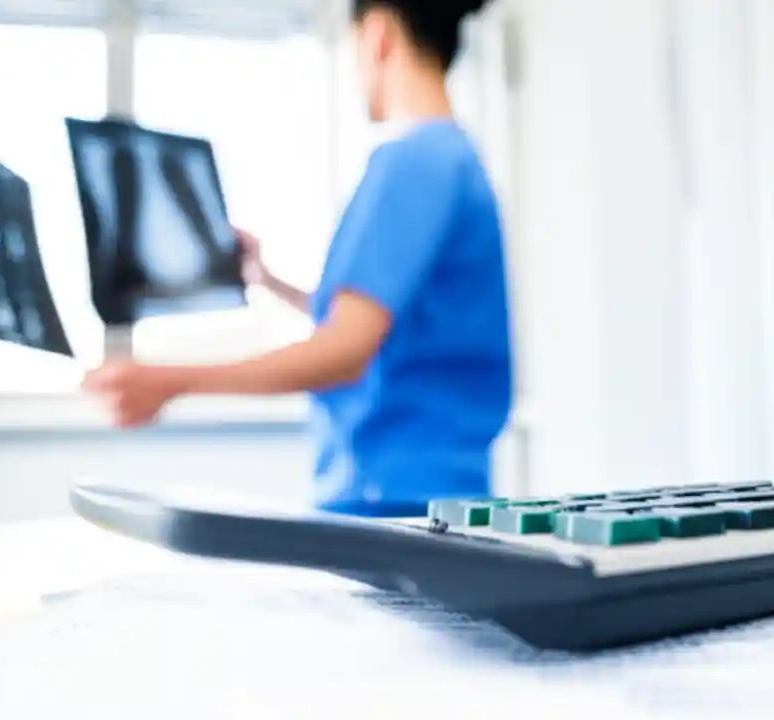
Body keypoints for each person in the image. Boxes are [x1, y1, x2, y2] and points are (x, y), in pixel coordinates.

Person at [83, 0, 511, 517]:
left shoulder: (413, 163)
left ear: (376, 35)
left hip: (393, 501)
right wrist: (269, 280)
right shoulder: (454, 158)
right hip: (433, 492)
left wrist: (169, 380)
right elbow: (386, 326)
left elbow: (346, 348)